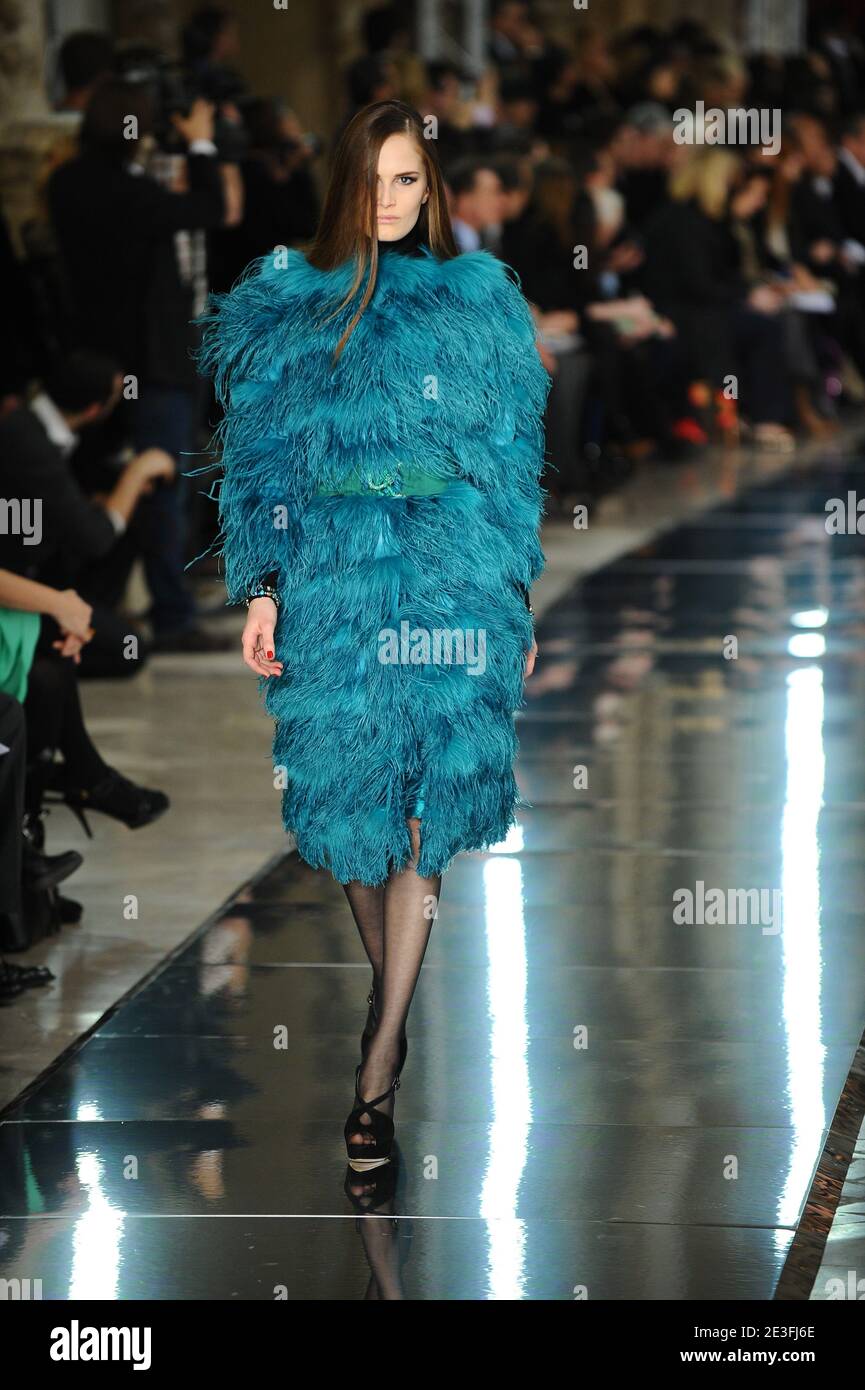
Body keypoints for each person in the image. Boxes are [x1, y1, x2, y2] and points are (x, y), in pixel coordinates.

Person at [196, 99, 549, 1172]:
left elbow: (504, 460)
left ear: (430, 188)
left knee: (420, 810)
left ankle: (379, 1056)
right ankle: (386, 1014)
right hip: (335, 577)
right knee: (353, 806)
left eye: (409, 181)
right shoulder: (287, 303)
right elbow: (259, 456)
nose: (391, 201)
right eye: (374, 182)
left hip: (451, 577)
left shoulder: (472, 303)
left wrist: (517, 600)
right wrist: (260, 586)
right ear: (343, 187)